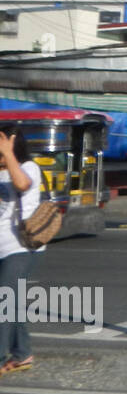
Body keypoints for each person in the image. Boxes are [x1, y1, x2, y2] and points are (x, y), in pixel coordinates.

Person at [0, 126, 43, 376]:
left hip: (20, 246)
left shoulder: (28, 167)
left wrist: (8, 154)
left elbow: (22, 184)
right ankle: (22, 353)